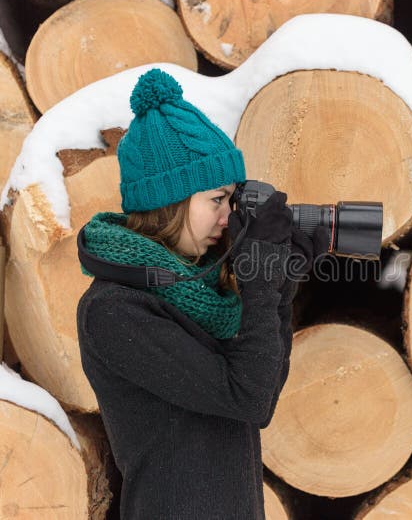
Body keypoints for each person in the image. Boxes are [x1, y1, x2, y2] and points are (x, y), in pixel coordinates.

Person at [76, 68, 329, 519]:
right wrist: (259, 283)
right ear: (169, 201)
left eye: (233, 202)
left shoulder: (200, 293)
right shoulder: (115, 309)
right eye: (217, 200)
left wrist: (279, 284)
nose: (228, 219)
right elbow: (246, 396)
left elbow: (263, 390)